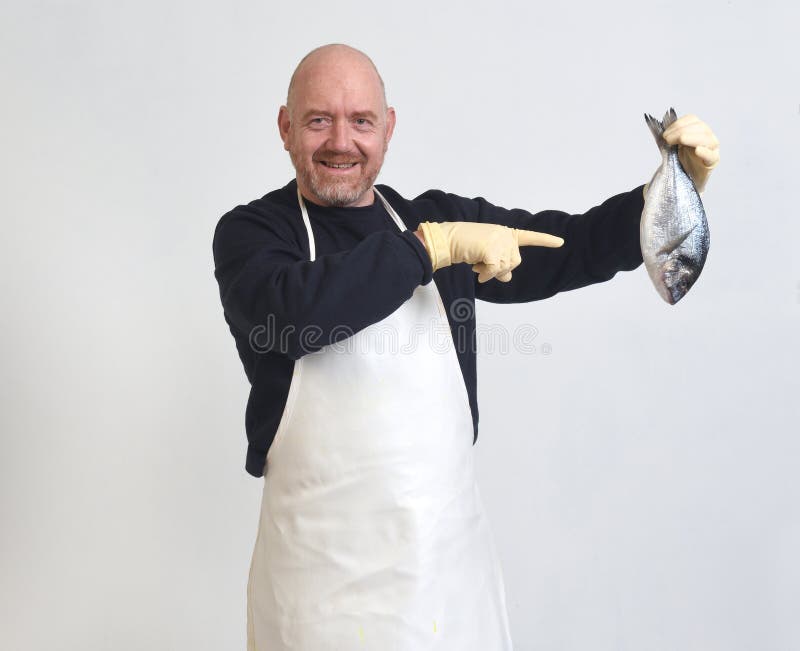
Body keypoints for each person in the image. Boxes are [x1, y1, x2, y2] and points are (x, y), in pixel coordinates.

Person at [212, 43, 720, 651]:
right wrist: (432, 248)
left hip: (450, 584)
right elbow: (298, 313)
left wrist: (669, 197)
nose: (341, 142)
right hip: (320, 592)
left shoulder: (437, 218)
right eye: (319, 120)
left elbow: (574, 245)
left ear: (389, 128)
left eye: (362, 121)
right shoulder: (254, 235)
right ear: (285, 128)